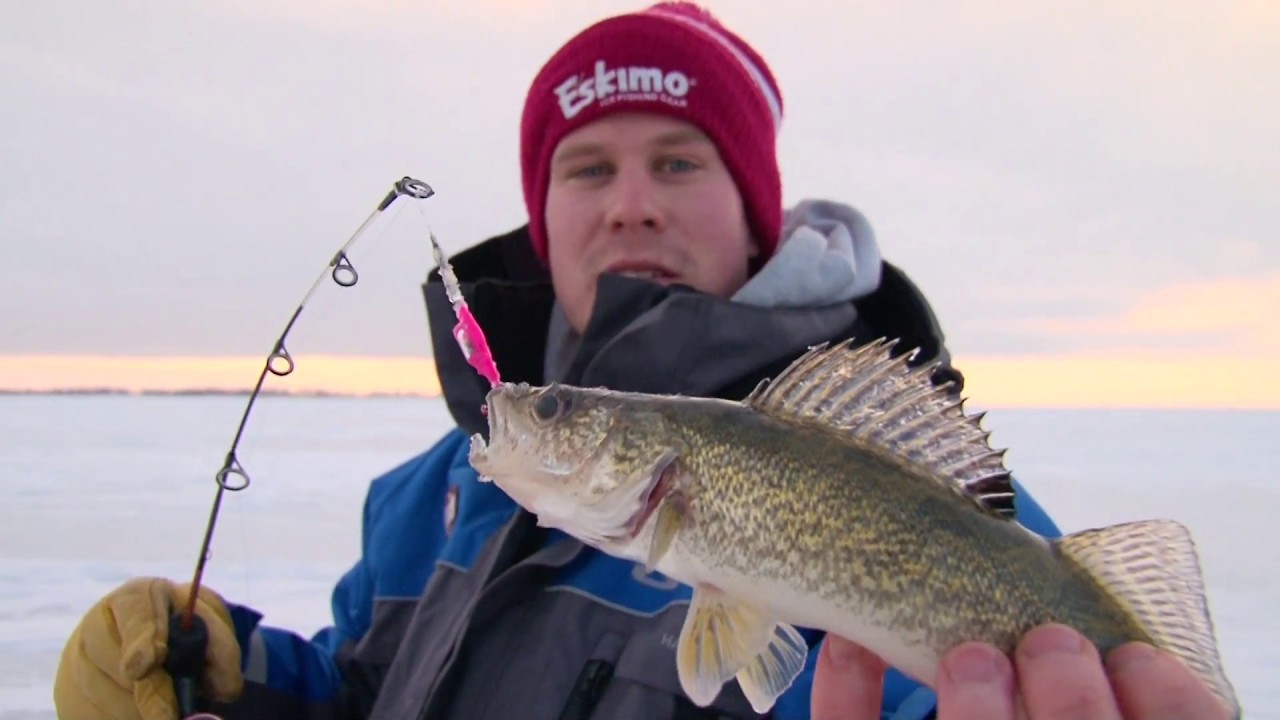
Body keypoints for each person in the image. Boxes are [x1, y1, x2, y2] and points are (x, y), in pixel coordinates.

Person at [53, 3, 1232, 720]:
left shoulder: (975, 515)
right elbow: (371, 693)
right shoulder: (431, 500)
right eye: (585, 167)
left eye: (679, 164)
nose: (629, 206)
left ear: (755, 211)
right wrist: (239, 678)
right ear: (542, 213)